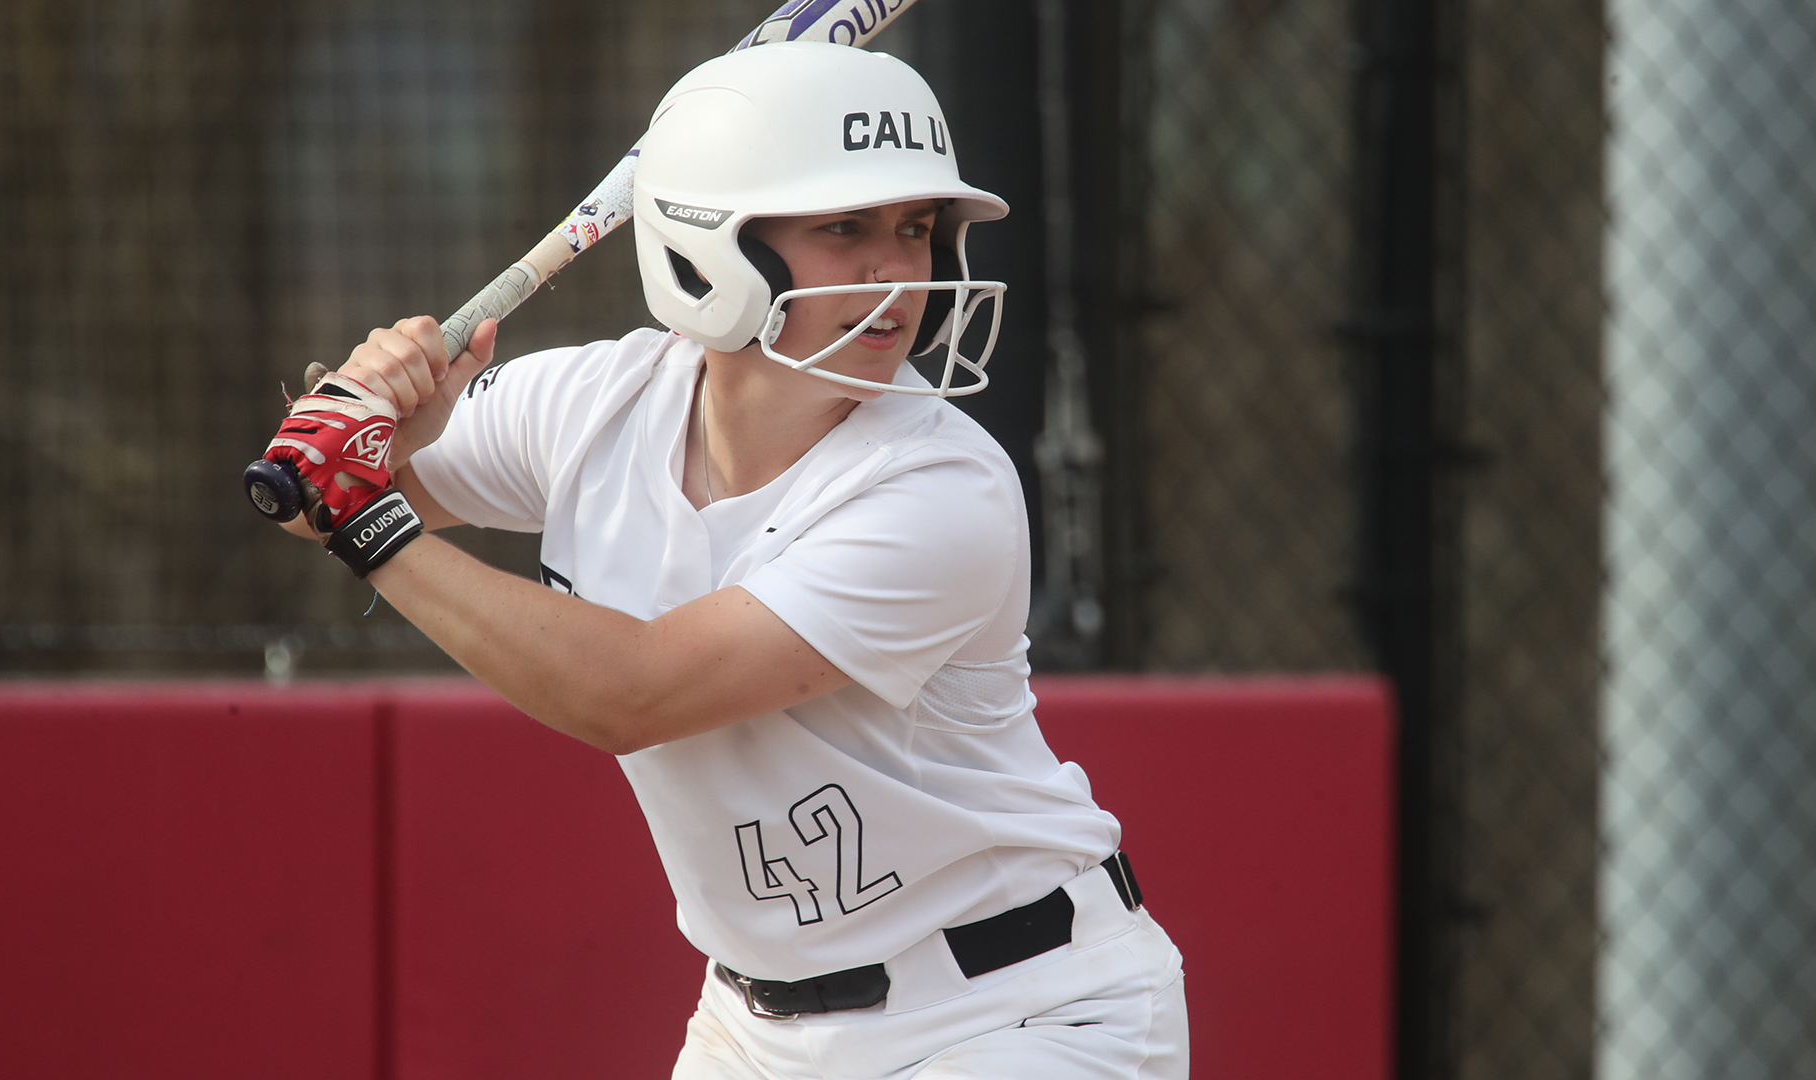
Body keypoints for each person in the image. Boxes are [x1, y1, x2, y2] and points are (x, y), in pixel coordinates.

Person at [269, 41, 1188, 1080]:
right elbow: (309, 502)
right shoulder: (590, 404)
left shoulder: (944, 490)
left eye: (915, 229)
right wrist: (357, 418)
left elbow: (633, 692)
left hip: (1019, 1014)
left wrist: (366, 516)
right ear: (712, 248)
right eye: (846, 229)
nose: (899, 276)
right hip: (758, 1031)